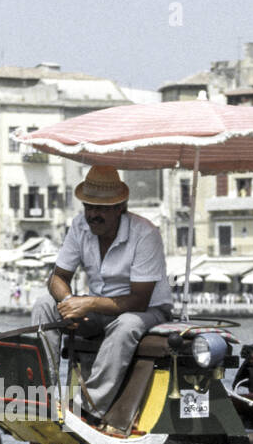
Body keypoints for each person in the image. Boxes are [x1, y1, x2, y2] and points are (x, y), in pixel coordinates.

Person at [31, 165, 173, 422]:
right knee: (44, 305)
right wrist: (67, 303)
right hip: (99, 308)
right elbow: (58, 278)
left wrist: (86, 303)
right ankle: (43, 393)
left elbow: (139, 300)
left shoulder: (145, 234)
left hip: (148, 310)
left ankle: (89, 408)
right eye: (89, 207)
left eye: (102, 209)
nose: (93, 215)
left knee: (127, 324)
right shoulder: (79, 226)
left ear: (120, 207)